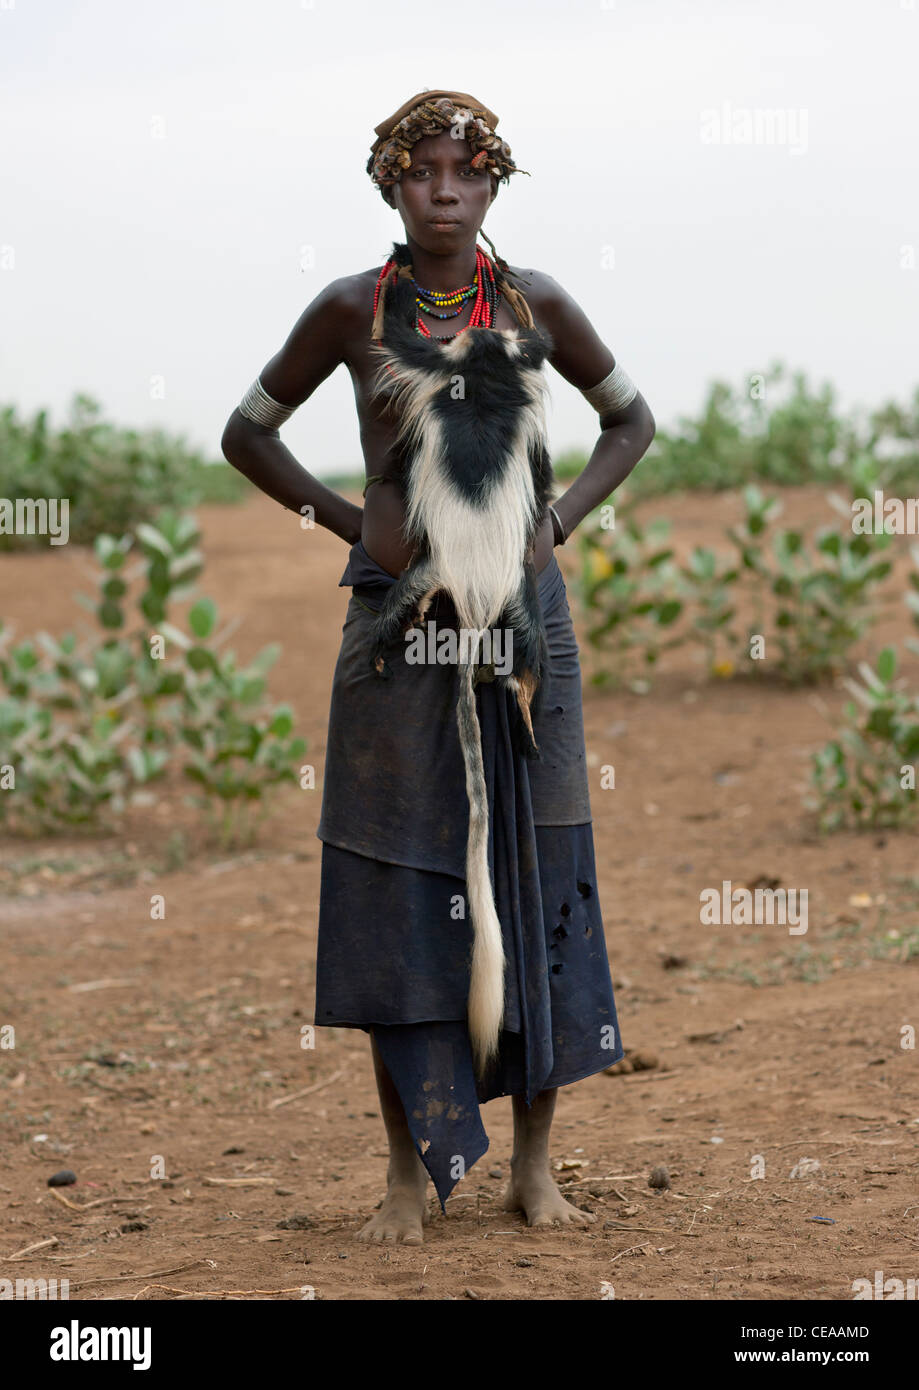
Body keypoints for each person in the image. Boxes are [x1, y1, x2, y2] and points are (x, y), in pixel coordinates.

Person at [221, 89, 656, 1245]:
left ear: (494, 184)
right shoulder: (347, 312)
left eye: (467, 172)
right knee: (400, 883)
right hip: (396, 630)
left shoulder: (538, 304)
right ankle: (406, 1173)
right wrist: (344, 521)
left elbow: (632, 421)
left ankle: (533, 1164)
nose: (445, 191)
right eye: (422, 173)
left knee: (535, 868)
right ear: (391, 187)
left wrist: (552, 525)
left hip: (525, 628)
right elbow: (245, 433)